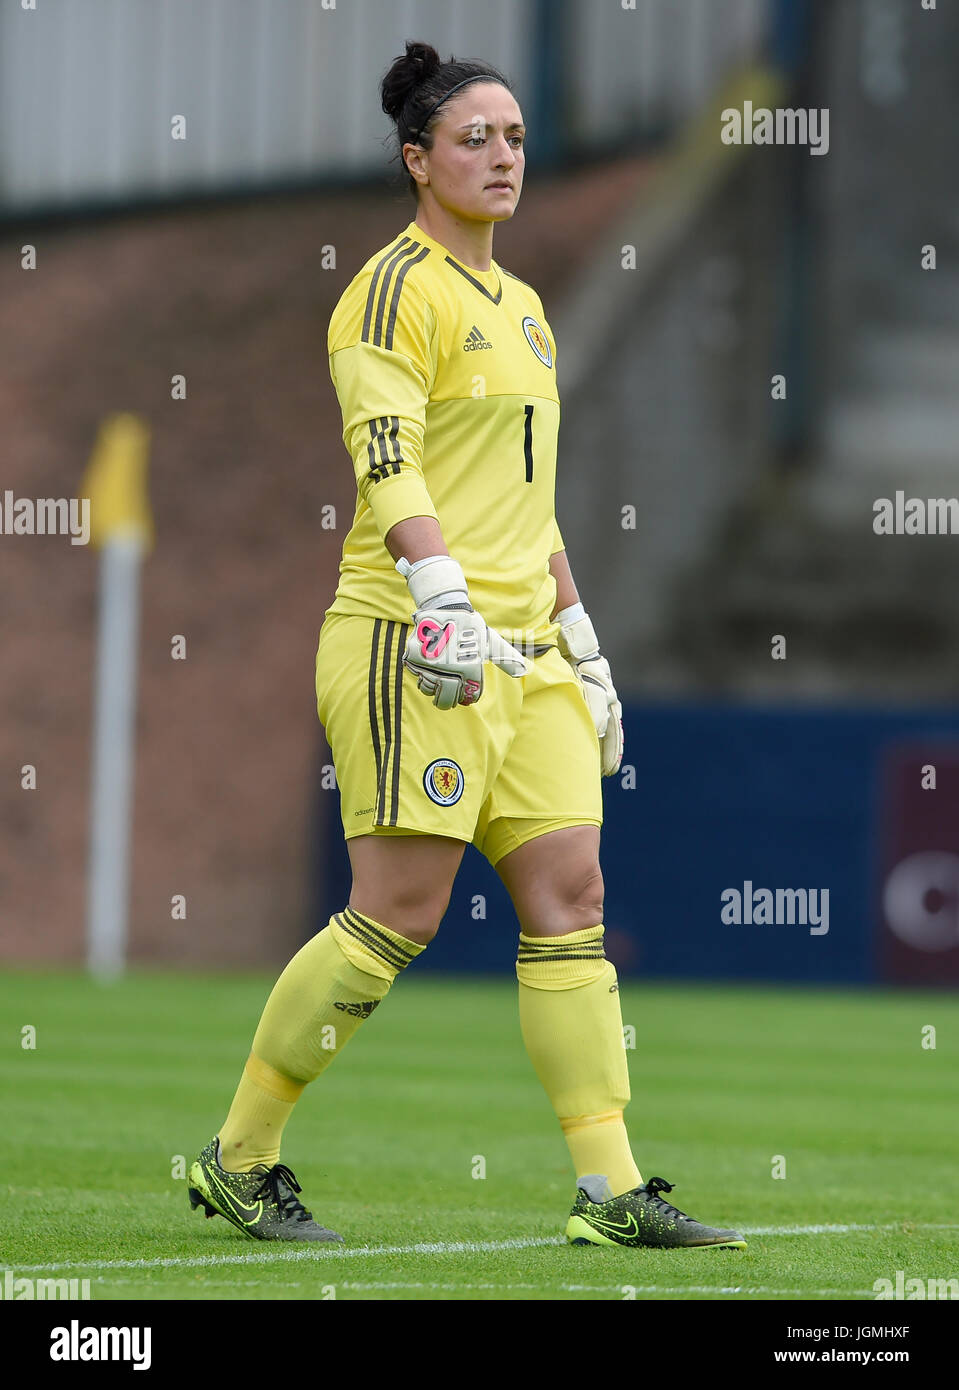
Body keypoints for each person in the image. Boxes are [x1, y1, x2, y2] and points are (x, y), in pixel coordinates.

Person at [187, 39, 745, 1252]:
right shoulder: (391, 290)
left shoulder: (529, 313)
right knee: (397, 914)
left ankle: (609, 1190)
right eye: (475, 138)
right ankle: (239, 1158)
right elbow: (386, 459)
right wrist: (439, 589)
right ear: (416, 160)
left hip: (523, 645)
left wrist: (578, 635)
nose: (503, 156)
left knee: (570, 897)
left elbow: (527, 501)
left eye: (515, 137)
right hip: (409, 636)